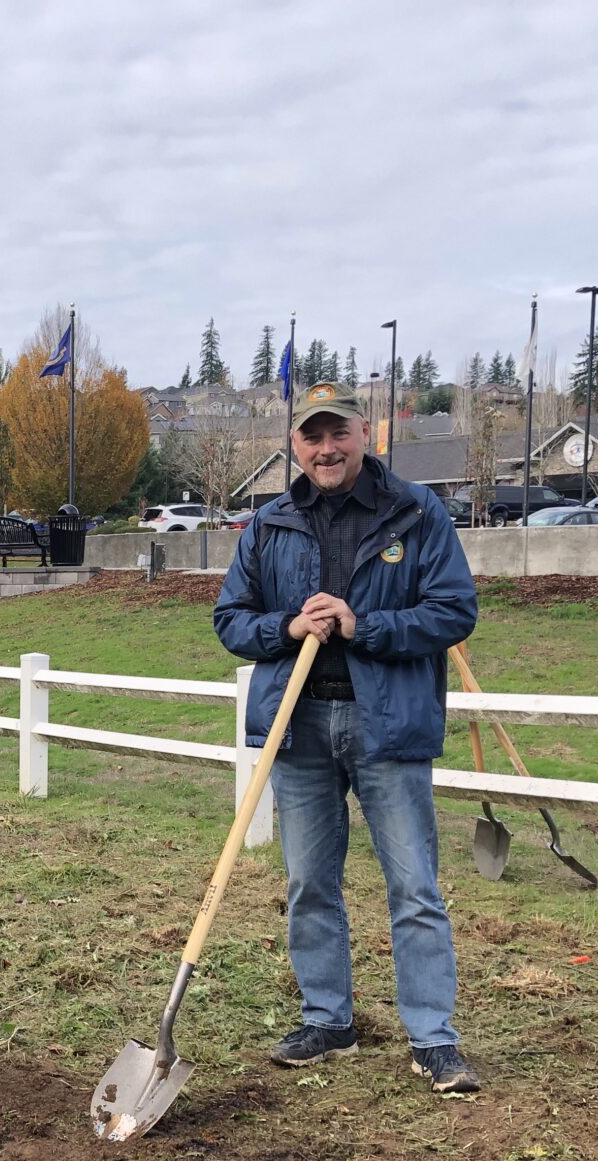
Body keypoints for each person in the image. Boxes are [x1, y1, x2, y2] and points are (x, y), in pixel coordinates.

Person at [213, 383, 483, 1094]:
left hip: (386, 726)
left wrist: (366, 626)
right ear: (294, 445)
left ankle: (433, 1039)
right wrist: (287, 628)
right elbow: (230, 621)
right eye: (312, 437)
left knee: (415, 888)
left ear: (366, 434)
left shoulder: (415, 513)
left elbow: (454, 611)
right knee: (309, 884)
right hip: (298, 726)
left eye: (339, 434)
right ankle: (329, 1019)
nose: (326, 449)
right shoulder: (270, 525)